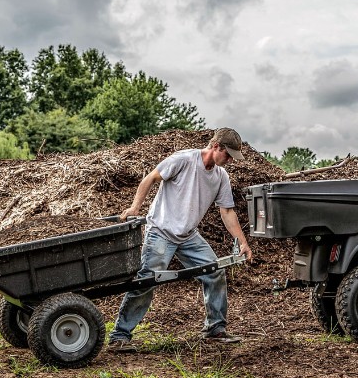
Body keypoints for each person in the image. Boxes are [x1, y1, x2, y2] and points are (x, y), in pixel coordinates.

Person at [108, 128, 254, 349]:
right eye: (228, 155)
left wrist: (243, 242)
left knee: (214, 271)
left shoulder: (220, 176)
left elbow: (227, 211)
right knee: (146, 280)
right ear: (216, 146)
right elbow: (151, 177)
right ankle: (120, 336)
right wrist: (135, 206)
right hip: (161, 231)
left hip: (188, 237)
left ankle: (215, 328)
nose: (230, 161)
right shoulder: (184, 160)